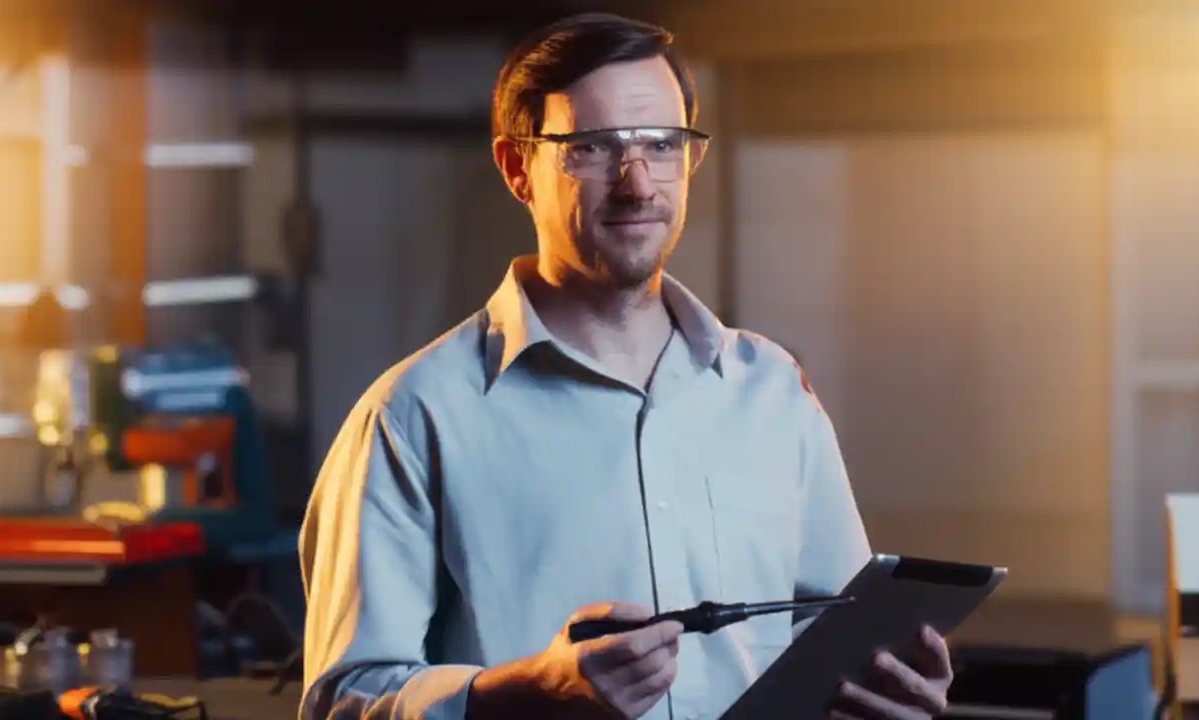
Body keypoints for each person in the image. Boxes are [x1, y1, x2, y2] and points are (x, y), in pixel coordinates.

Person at [299, 12, 953, 720]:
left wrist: (884, 689)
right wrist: (526, 695)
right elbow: (342, 699)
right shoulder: (413, 417)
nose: (638, 182)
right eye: (592, 147)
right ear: (519, 168)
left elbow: (833, 635)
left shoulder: (773, 394)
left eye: (661, 144)